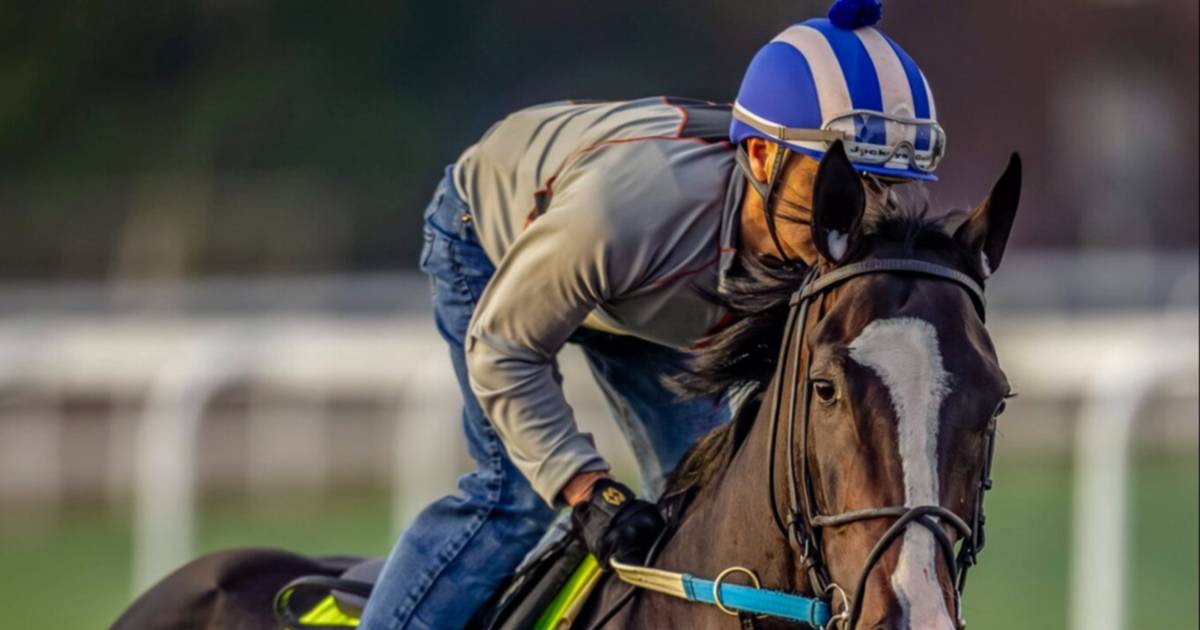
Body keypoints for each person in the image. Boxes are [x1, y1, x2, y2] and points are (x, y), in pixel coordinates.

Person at [360, 2, 947, 628]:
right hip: (493, 238)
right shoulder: (623, 216)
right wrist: (585, 489)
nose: (862, 214)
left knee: (706, 498)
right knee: (514, 497)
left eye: (882, 186)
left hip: (646, 284)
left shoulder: (812, 228)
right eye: (838, 185)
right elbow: (502, 349)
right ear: (760, 158)